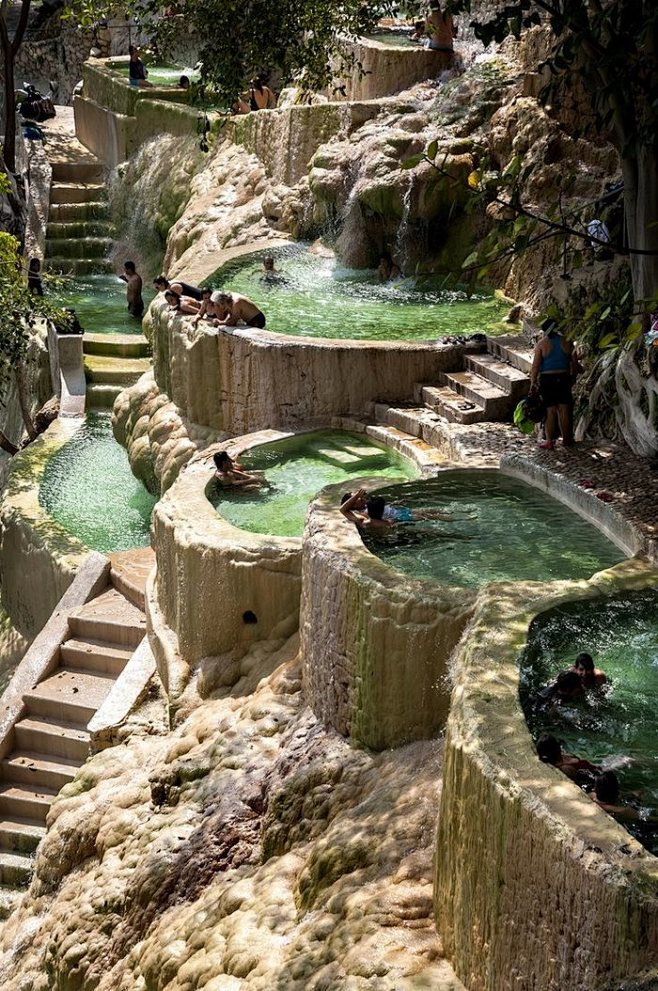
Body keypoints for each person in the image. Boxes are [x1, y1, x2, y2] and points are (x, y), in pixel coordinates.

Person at [529, 318, 579, 450]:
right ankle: (567, 440)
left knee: (550, 411)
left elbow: (535, 366)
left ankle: (550, 441)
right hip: (563, 377)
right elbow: (574, 363)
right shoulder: (567, 342)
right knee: (564, 409)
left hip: (547, 379)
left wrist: (533, 382)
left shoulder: (542, 344)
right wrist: (573, 377)